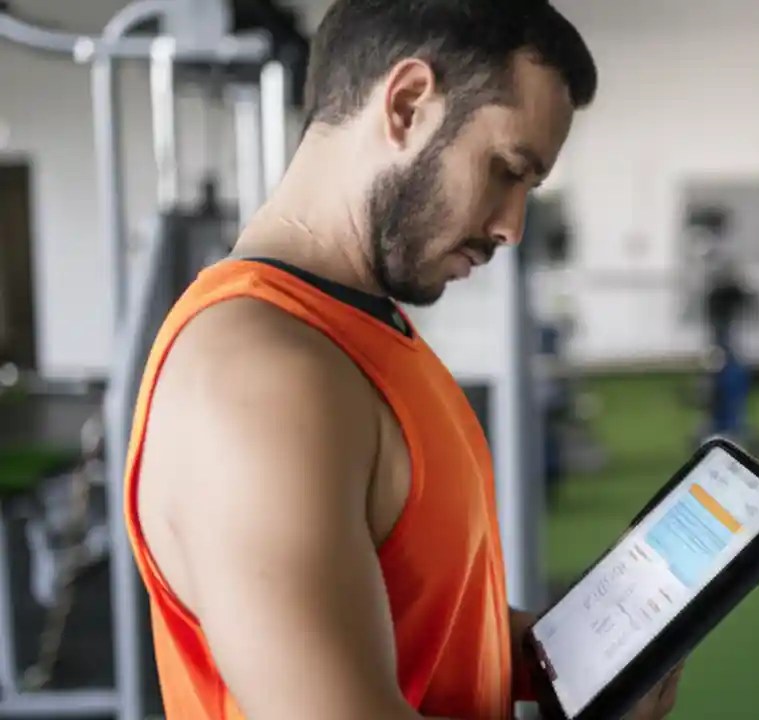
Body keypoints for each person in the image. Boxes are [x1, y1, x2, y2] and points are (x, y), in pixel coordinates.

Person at [122, 1, 683, 718]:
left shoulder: (364, 333)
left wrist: (580, 649)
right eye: (505, 170)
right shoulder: (260, 378)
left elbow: (428, 631)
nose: (511, 227)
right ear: (408, 103)